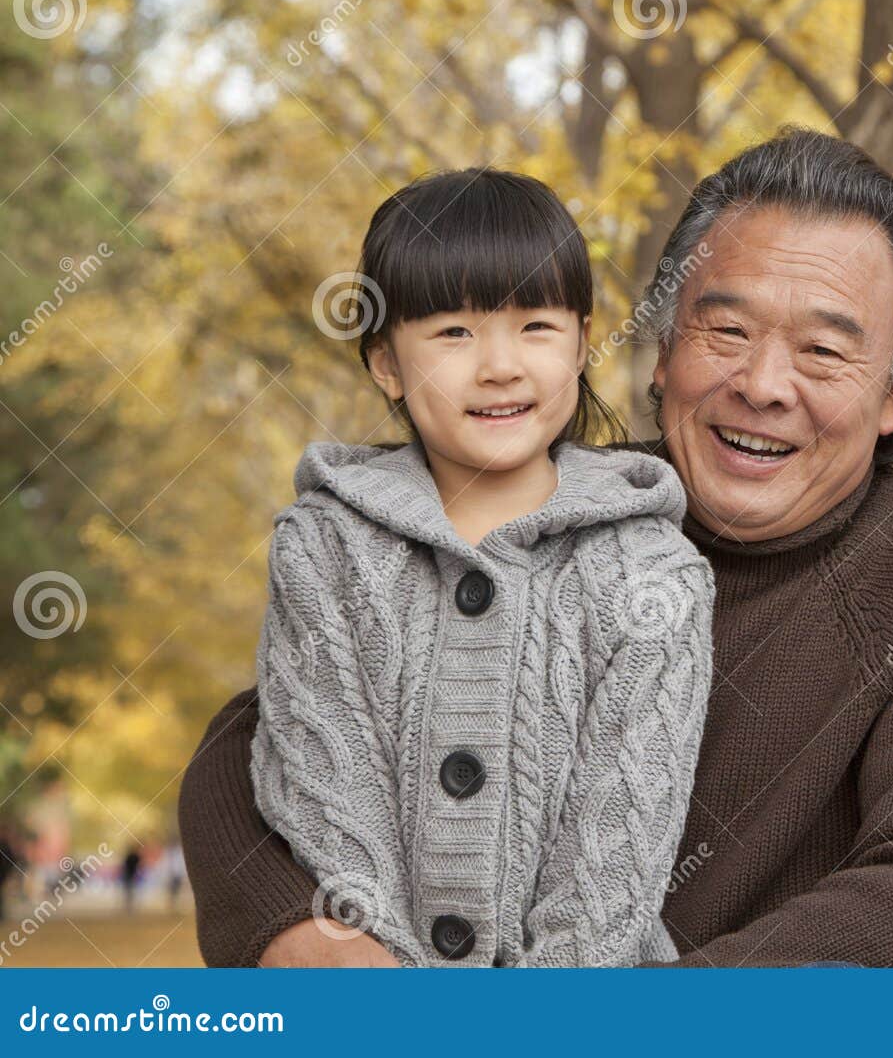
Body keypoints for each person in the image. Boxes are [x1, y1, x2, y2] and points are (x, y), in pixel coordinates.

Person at [179, 128, 893, 968]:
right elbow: (255, 739)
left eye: (822, 351)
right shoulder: (553, 501)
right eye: (726, 332)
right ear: (663, 350)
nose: (763, 385)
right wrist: (294, 927)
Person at [244, 168, 714, 966]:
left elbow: (614, 864)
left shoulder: (653, 574)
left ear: (582, 342)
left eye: (536, 326)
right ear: (386, 362)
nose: (500, 365)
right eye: (454, 332)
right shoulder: (324, 549)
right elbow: (330, 810)